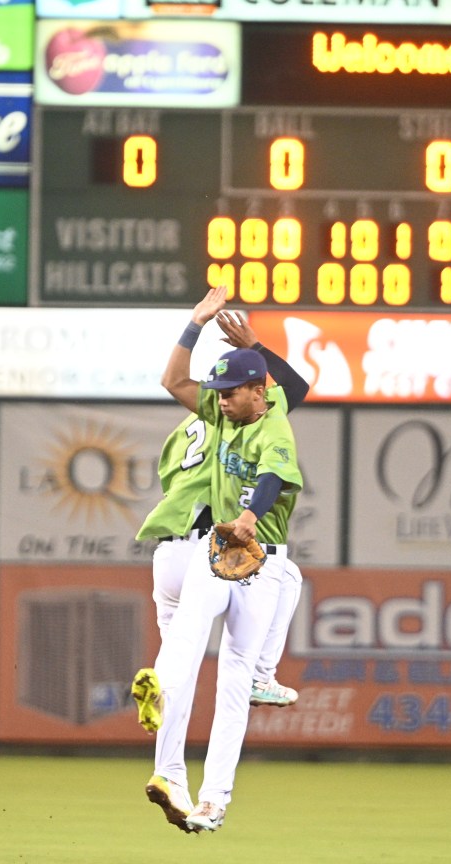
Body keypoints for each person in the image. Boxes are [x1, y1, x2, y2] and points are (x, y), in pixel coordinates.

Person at [131, 286, 305, 834]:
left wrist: (250, 517)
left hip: (255, 557)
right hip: (213, 548)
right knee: (190, 641)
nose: (222, 399)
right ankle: (167, 684)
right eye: (220, 392)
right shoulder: (228, 413)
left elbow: (274, 477)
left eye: (232, 391)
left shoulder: (271, 423)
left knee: (229, 675)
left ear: (260, 391)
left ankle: (208, 792)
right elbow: (183, 382)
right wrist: (208, 331)